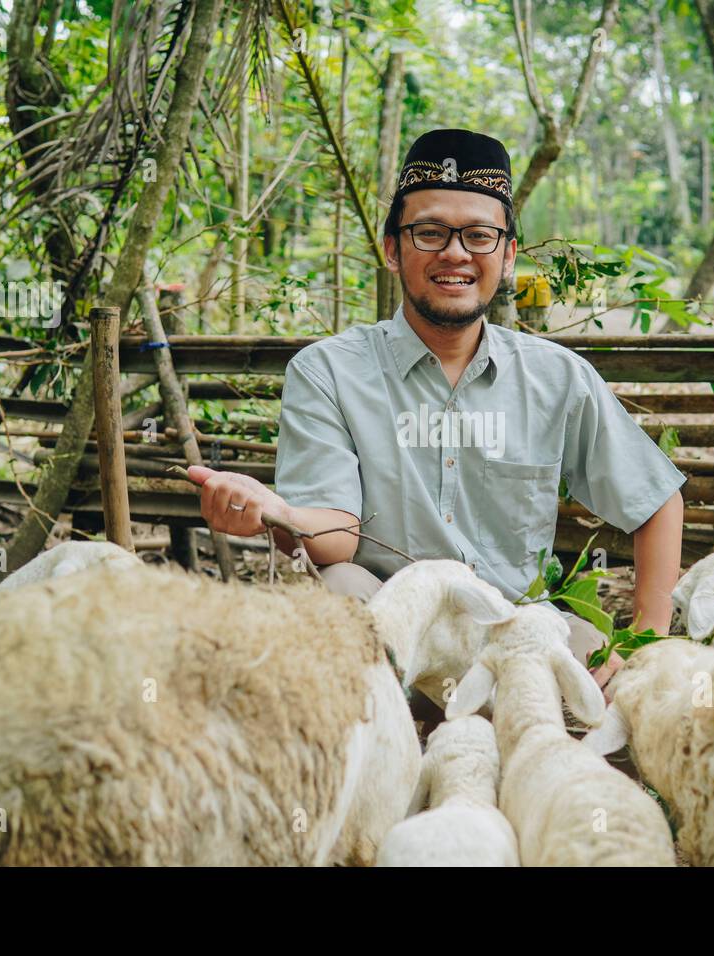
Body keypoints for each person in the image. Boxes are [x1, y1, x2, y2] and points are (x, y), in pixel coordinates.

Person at [188, 128, 685, 699]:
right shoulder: (328, 371)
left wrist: (644, 639)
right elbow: (337, 541)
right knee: (342, 588)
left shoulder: (556, 379)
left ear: (508, 254)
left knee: (615, 685)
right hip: (388, 625)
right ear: (393, 249)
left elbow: (654, 500)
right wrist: (278, 513)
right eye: (429, 232)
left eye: (479, 235)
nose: (455, 252)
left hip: (517, 628)